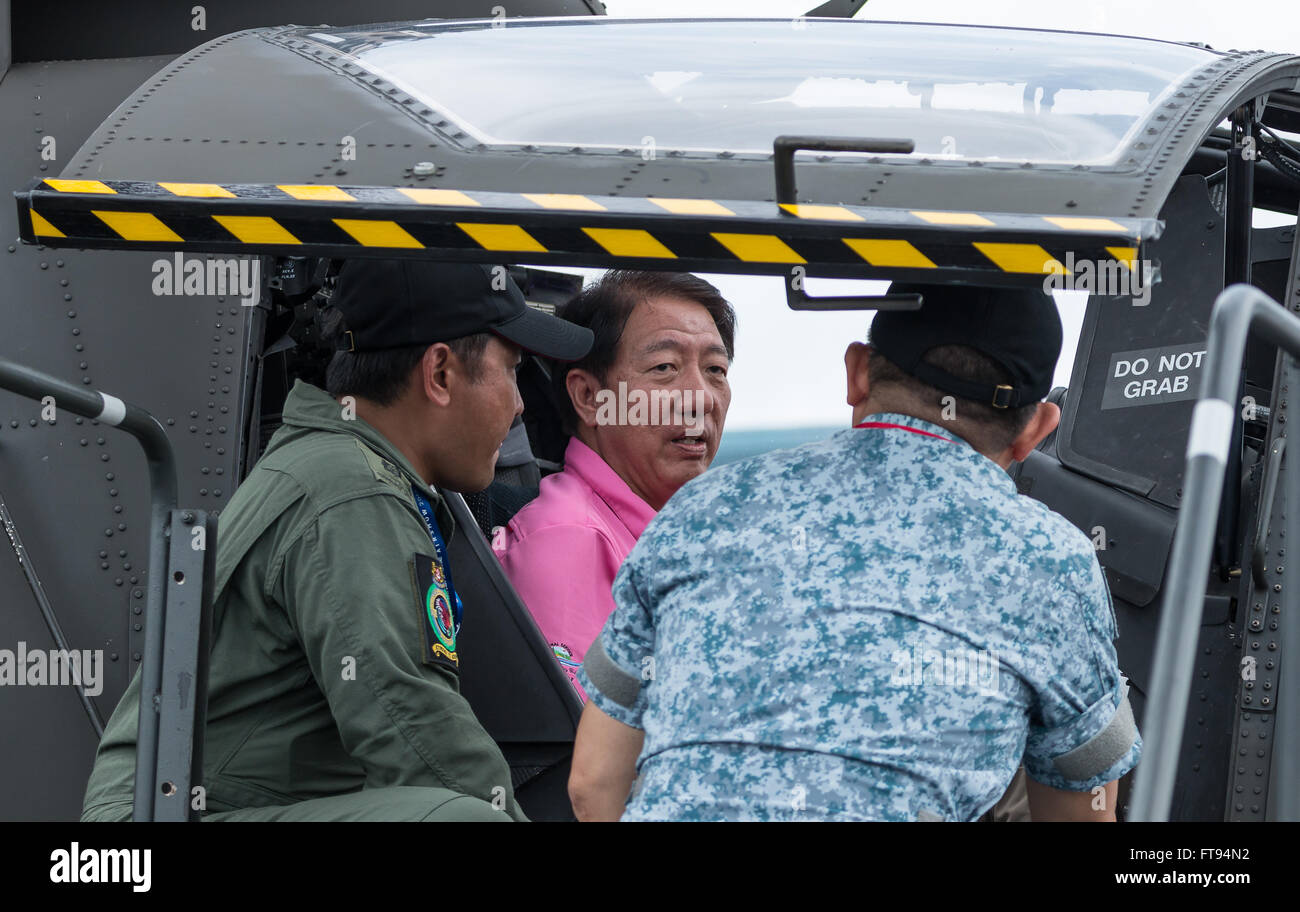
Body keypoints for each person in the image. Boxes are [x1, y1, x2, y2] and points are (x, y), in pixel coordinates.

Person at [568, 282, 1141, 822]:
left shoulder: (697, 509)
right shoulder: (1054, 560)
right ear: (1036, 429)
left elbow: (593, 783)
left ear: (857, 373)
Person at [80, 258, 592, 822]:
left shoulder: (353, 469)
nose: (520, 404)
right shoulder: (351, 488)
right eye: (511, 370)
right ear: (440, 374)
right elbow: (414, 728)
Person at [493, 271, 734, 698]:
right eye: (665, 368)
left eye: (716, 369)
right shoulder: (566, 542)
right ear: (589, 397)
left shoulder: (682, 535)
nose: (702, 397)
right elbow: (586, 756)